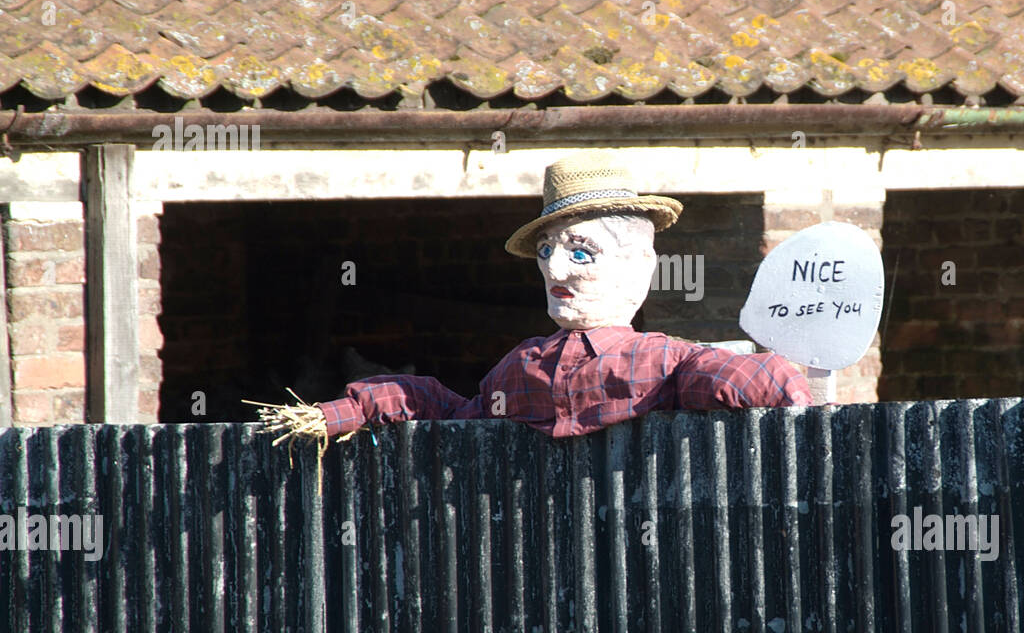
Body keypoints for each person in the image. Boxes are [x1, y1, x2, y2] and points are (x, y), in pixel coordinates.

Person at [261, 156, 812, 443]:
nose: (552, 266)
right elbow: (449, 412)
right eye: (546, 251)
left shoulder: (669, 362)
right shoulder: (518, 368)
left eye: (581, 252)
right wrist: (346, 410)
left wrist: (786, 390)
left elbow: (730, 379)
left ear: (640, 267)